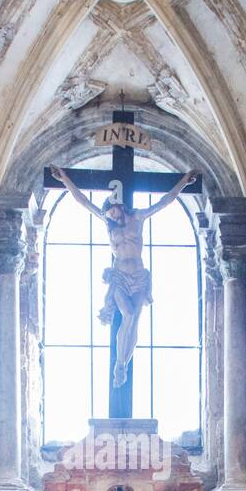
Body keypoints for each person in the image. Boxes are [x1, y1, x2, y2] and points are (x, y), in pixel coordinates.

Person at [50, 165, 196, 387]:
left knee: (135, 319)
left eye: (112, 211)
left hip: (139, 277)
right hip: (119, 276)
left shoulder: (138, 217)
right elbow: (82, 201)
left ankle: (124, 364)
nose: (110, 216)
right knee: (126, 315)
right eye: (108, 214)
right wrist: (65, 180)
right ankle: (119, 362)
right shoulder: (108, 225)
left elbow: (165, 201)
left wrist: (184, 181)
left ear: (118, 205)